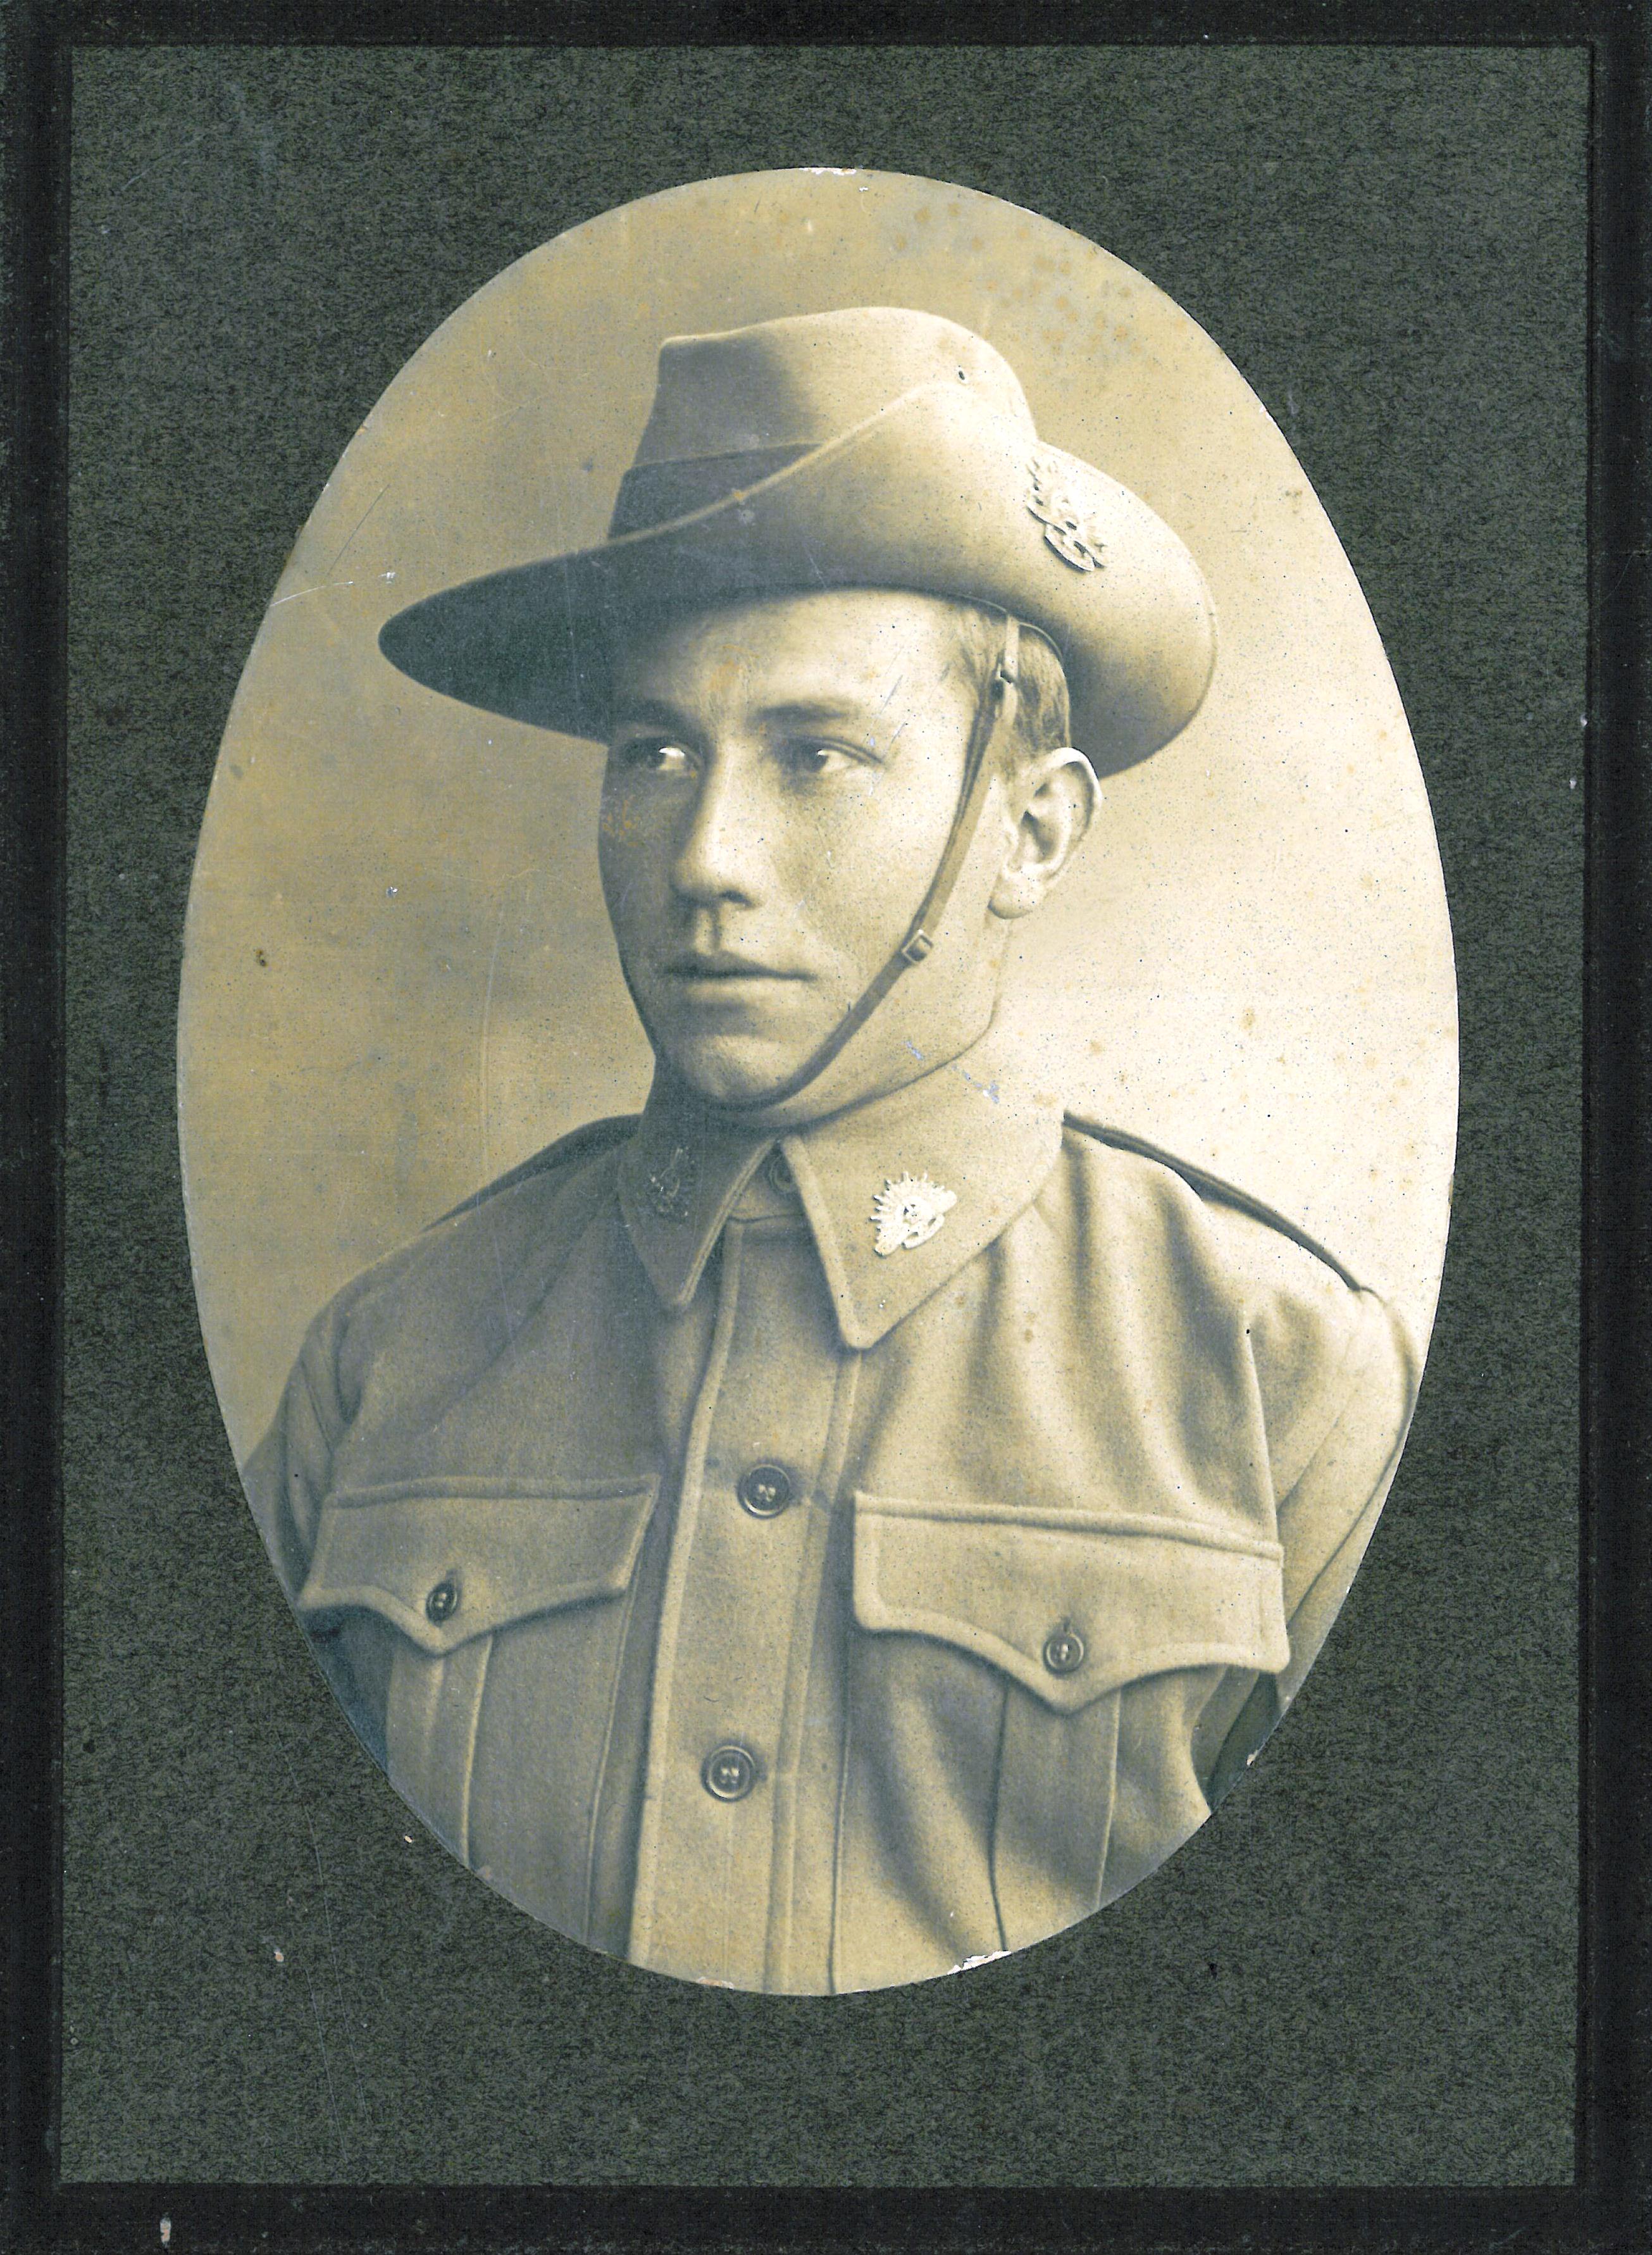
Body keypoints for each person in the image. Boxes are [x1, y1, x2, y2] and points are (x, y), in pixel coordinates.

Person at [246, 307, 1419, 1994]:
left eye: (815, 758)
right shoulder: (391, 1353)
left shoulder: (1278, 1376)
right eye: (655, 754)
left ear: (1028, 828)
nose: (706, 856)